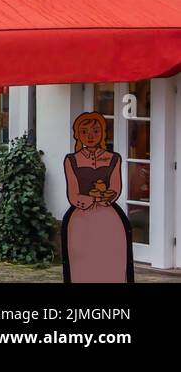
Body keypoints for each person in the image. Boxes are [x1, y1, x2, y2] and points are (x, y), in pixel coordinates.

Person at [62, 112, 133, 283]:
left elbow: (116, 187)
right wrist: (91, 198)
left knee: (111, 260)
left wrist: (106, 195)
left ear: (102, 133)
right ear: (77, 135)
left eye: (95, 131)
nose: (90, 136)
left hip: (109, 218)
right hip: (81, 219)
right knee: (82, 262)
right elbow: (73, 194)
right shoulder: (71, 160)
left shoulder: (113, 158)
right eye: (85, 132)